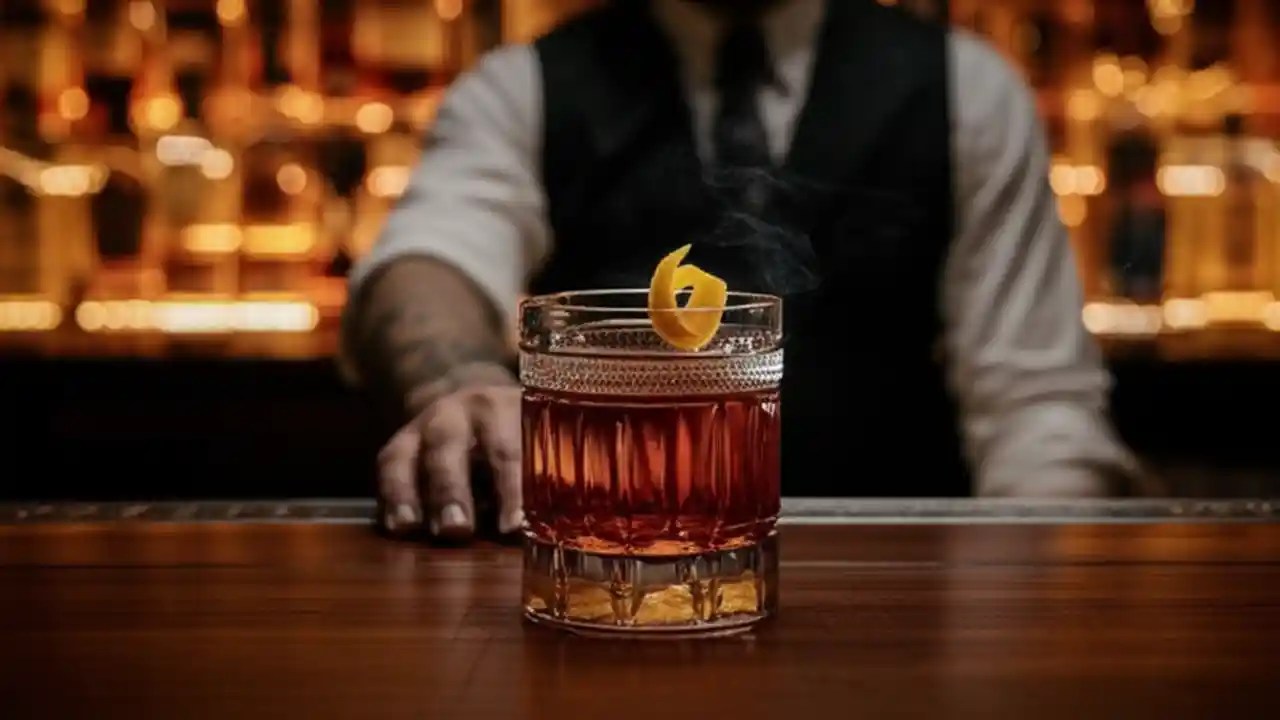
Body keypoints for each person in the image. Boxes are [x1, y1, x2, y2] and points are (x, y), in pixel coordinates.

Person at [341, 0, 1143, 540]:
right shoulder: (523, 87)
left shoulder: (968, 88)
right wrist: (456, 383)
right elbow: (429, 260)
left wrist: (1033, 597)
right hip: (620, 590)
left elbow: (1035, 407)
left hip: (898, 606)